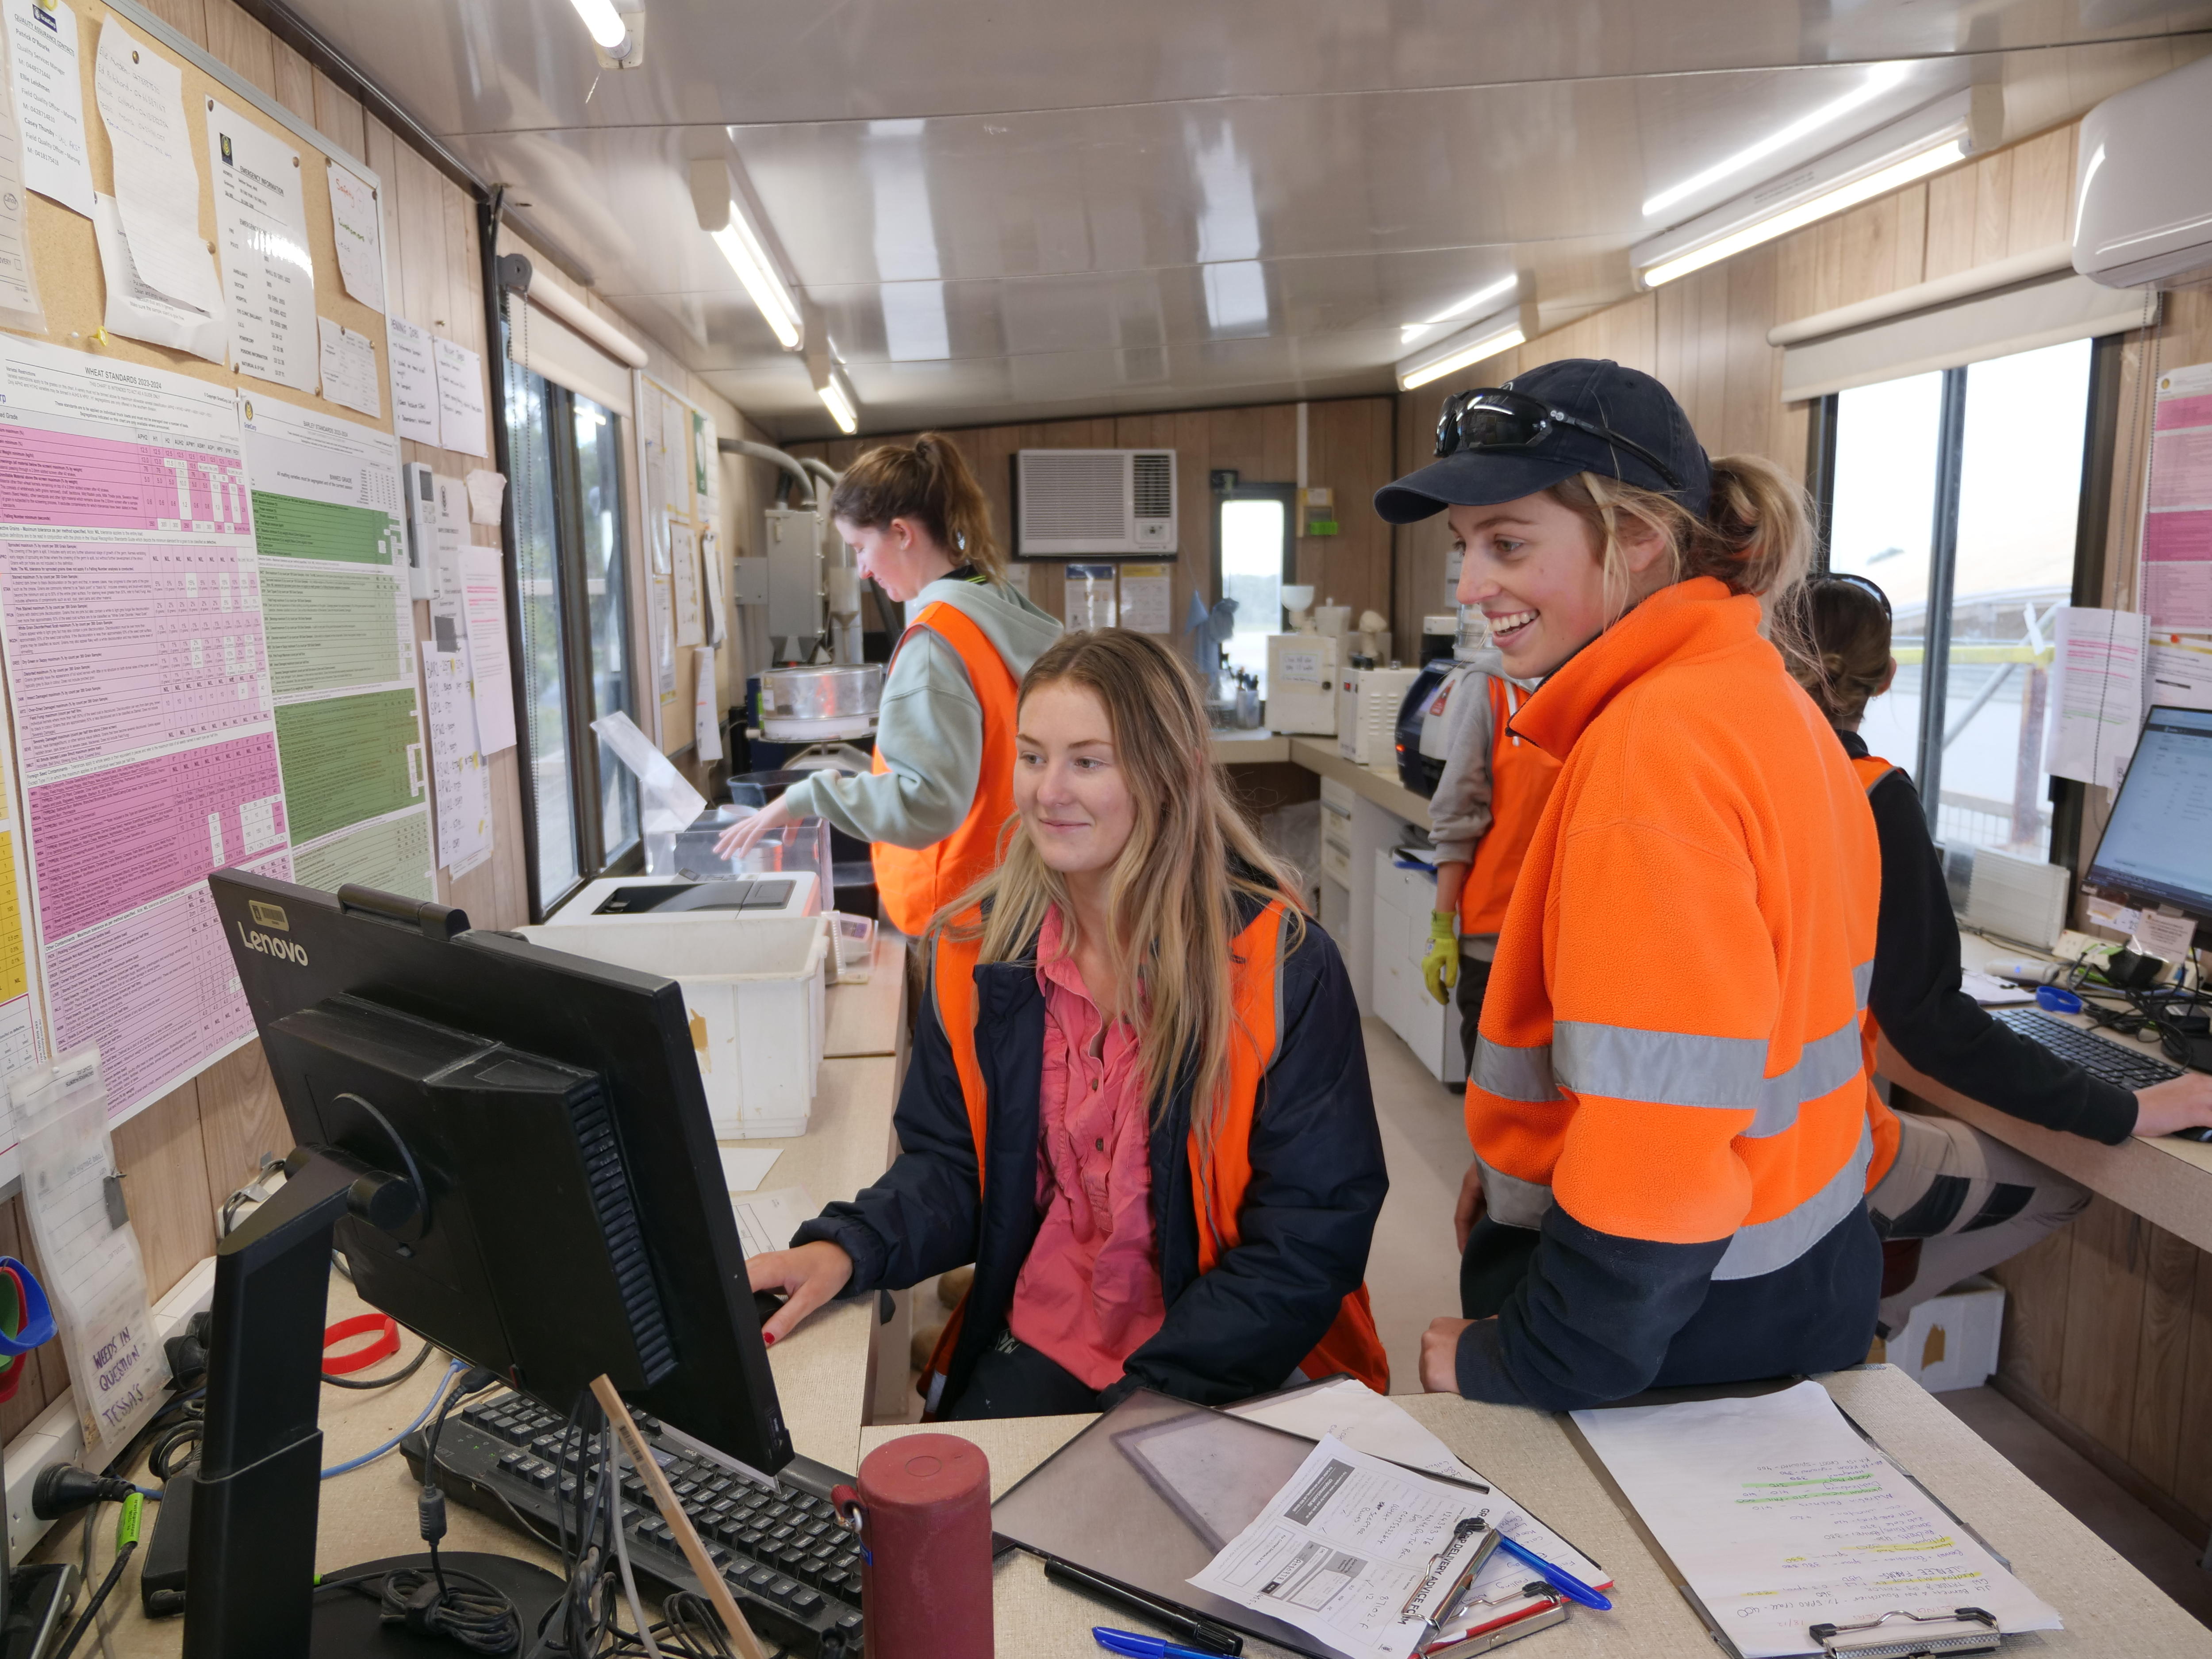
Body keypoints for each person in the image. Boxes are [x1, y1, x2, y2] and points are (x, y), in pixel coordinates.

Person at [1374, 359, 1885, 1411]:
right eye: (1464, 548)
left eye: (1508, 543)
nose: (1471, 587)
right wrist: (1527, 1160)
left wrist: (1521, 1356)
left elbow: (1661, 1131)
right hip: (1801, 1266)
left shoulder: (1652, 751)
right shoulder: (1765, 697)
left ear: (1638, 537)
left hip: (1672, 1313)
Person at [742, 630, 1390, 1418]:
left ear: (1169, 775)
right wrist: (847, 1247)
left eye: (1088, 760)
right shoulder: (975, 954)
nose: (1049, 792)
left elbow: (1310, 1233)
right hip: (1054, 1323)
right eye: (1033, 756)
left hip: (1231, 1350)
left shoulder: (1280, 966)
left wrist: (1148, 1399)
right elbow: (956, 1167)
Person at [1793, 573, 2212, 1334]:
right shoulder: (1873, 794)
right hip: (1818, 1155)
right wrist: (2132, 1106)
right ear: (1888, 678)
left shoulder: (1757, 777)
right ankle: (1855, 1314)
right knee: (2061, 1185)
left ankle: (1843, 1297)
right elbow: (1934, 1026)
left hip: (1752, 1138)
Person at [716, 434, 1060, 937]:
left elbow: (928, 804)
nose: (861, 570)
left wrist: (806, 797)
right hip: (1017, 893)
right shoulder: (996, 606)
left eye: (860, 548)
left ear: (900, 533)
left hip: (960, 916)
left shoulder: (933, 642)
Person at [1418, 641, 1561, 1074]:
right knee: (1495, 1092)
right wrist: (1442, 928)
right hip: (1495, 936)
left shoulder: (1604, 685)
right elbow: (1457, 813)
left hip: (1573, 940)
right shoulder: (1489, 688)